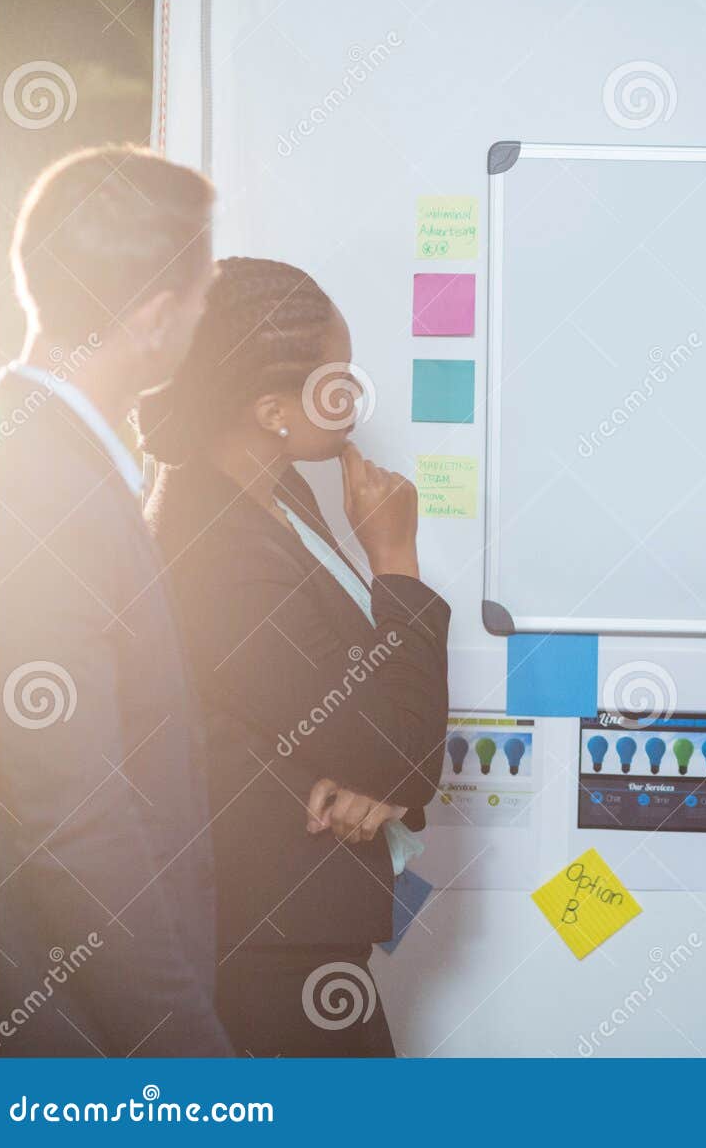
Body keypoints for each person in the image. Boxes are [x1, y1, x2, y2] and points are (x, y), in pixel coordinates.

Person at [136, 257, 450, 1056]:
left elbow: (365, 731)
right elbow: (399, 750)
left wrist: (369, 776)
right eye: (335, 378)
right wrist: (396, 559)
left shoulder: (276, 492)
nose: (353, 396)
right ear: (273, 408)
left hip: (294, 930)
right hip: (264, 941)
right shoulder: (217, 542)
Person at [0, 146, 232, 1055]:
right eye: (202, 298)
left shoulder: (43, 456)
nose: (204, 317)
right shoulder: (43, 487)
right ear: (157, 320)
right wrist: (191, 1056)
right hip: (74, 1036)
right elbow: (74, 821)